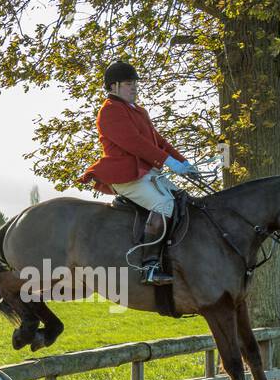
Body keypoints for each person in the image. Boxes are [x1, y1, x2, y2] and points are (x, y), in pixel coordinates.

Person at [78, 61, 194, 284]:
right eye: (129, 84)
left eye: (135, 83)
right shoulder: (109, 111)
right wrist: (169, 162)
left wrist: (185, 163)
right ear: (113, 87)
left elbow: (158, 141)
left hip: (147, 173)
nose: (135, 88)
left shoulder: (139, 111)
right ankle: (149, 266)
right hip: (125, 175)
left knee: (184, 201)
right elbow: (135, 143)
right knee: (164, 205)